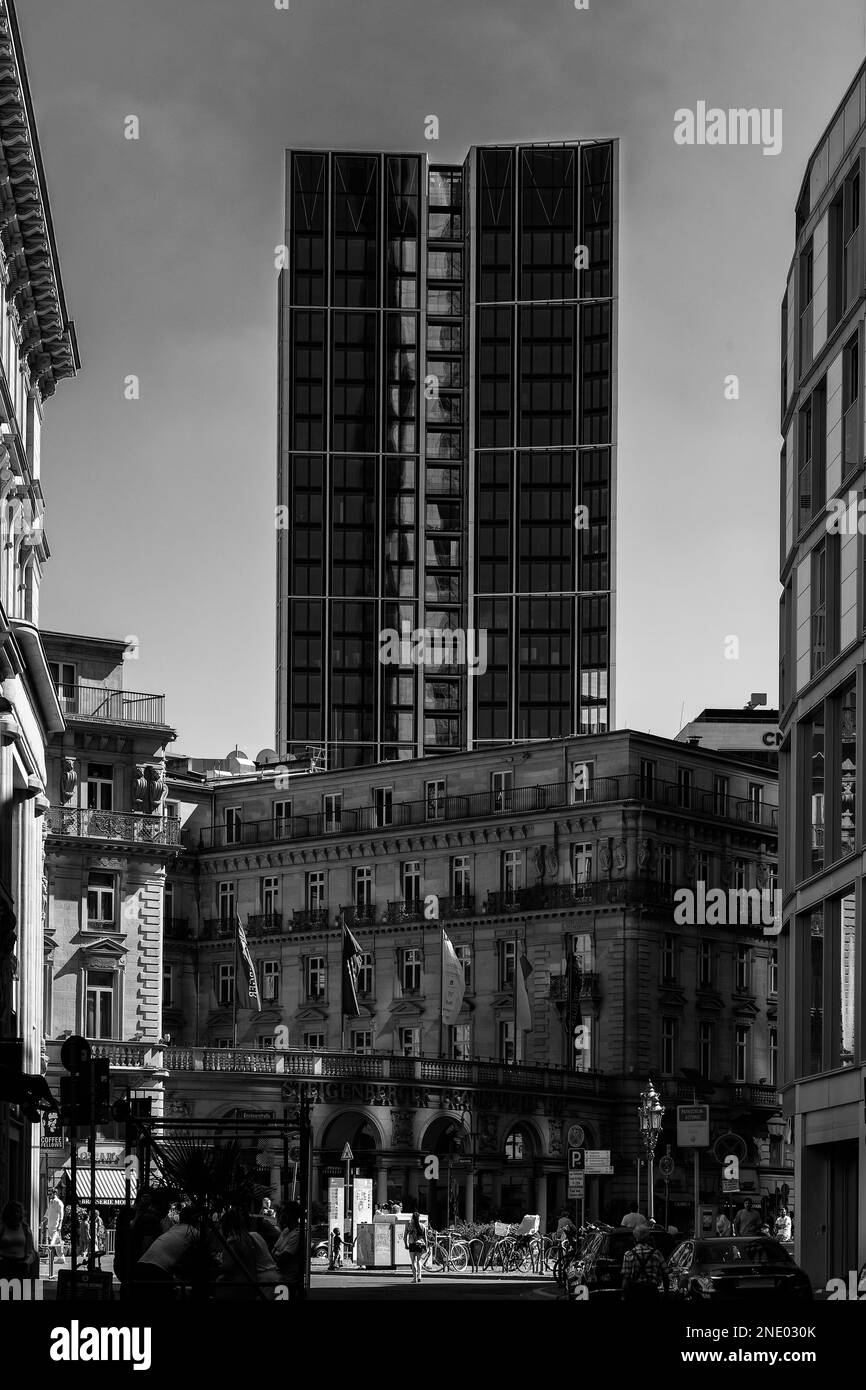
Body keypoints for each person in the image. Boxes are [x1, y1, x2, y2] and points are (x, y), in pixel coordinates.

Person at [215, 1208, 282, 1301]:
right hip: (276, 1278)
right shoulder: (255, 1235)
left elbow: (229, 1266)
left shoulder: (236, 1241)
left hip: (263, 1282)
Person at [621, 1226, 669, 1303]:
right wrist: (666, 1293)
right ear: (648, 1238)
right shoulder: (657, 1254)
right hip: (652, 1292)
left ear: (635, 1238)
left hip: (635, 1292)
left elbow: (626, 1278)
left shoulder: (629, 1254)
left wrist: (623, 1295)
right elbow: (665, 1275)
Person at [0, 1200, 37, 1282]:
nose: (15, 1214)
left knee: (19, 1293)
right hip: (4, 1266)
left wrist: (26, 1263)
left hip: (20, 1266)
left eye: (18, 1212)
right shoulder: (2, 1228)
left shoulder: (25, 1228)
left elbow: (31, 1251)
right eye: (13, 1212)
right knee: (5, 1294)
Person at [273, 1201, 302, 1301]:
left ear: (290, 1214)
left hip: (288, 1281)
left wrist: (277, 1254)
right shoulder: (286, 1231)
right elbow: (274, 1252)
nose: (281, 1215)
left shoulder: (296, 1234)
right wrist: (277, 1254)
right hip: (279, 1277)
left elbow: (282, 1257)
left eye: (284, 1212)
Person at [403, 1209, 427, 1284]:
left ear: (412, 1218)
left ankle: (415, 1278)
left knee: (413, 1261)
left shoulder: (409, 1225)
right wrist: (425, 1245)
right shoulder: (422, 1226)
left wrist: (406, 1245)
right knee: (419, 1260)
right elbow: (425, 1237)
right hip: (420, 1244)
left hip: (412, 1244)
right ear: (419, 1218)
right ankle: (419, 1276)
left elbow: (405, 1236)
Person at [44, 1189, 65, 1269]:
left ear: (55, 1193)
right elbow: (47, 1214)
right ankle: (61, 1258)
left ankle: (53, 1258)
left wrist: (59, 1226)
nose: (49, 1195)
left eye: (50, 1193)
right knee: (57, 1243)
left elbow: (61, 1216)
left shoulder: (59, 1202)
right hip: (50, 1226)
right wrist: (42, 1222)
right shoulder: (51, 1202)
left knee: (54, 1243)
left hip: (55, 1227)